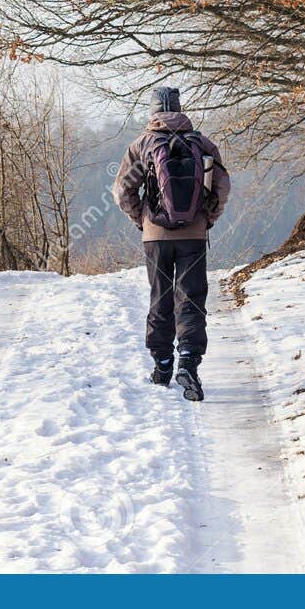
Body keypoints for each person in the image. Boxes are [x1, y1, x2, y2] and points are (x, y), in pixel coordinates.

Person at [111, 87, 231, 401]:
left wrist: (142, 219)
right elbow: (222, 186)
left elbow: (123, 192)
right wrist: (207, 217)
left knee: (160, 296)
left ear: (152, 112)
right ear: (179, 109)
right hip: (193, 234)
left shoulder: (142, 145)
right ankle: (188, 364)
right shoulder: (201, 143)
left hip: (155, 236)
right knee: (191, 298)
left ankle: (162, 363)